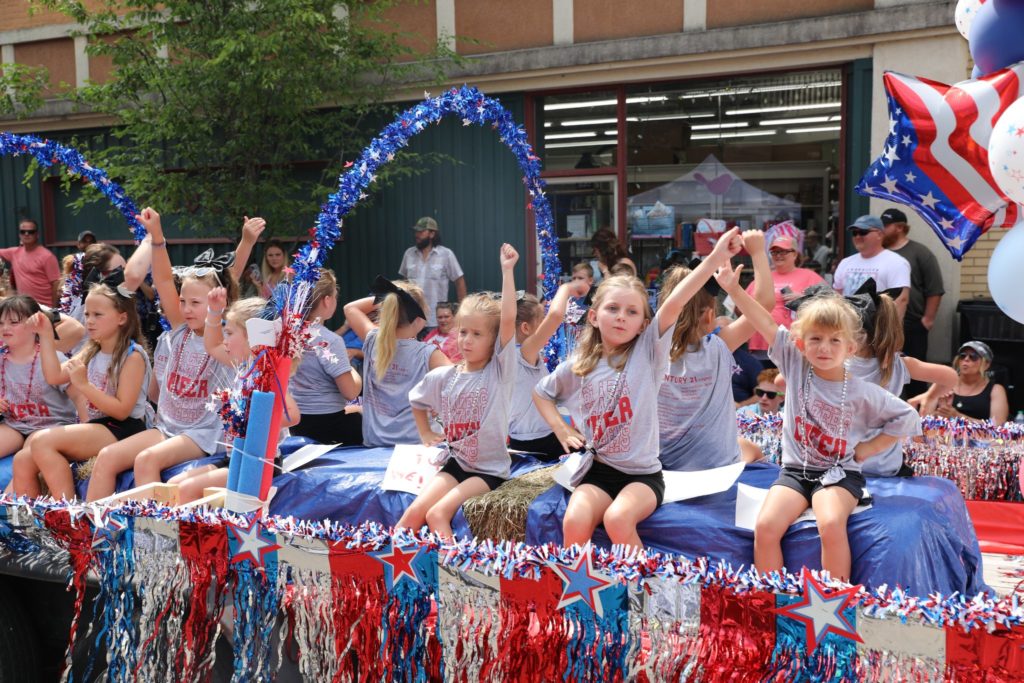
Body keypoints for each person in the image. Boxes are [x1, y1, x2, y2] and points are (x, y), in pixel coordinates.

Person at [533, 227, 744, 551]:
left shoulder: (649, 352)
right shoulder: (579, 365)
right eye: (613, 309)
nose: (621, 317)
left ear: (644, 324)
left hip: (643, 477)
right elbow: (541, 393)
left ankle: (639, 582)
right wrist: (561, 428)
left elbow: (676, 301)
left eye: (632, 312)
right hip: (598, 471)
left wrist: (715, 257)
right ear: (593, 316)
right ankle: (581, 583)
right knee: (574, 519)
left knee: (618, 519)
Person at [716, 261, 921, 581]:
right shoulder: (795, 365)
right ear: (800, 343)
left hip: (840, 475)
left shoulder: (860, 390)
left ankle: (834, 597)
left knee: (830, 523)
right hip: (795, 472)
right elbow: (763, 321)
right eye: (815, 339)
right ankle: (772, 596)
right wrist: (733, 289)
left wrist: (870, 448)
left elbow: (906, 416)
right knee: (766, 526)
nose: (824, 348)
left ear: (850, 347)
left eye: (834, 341)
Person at [84, 208, 236, 501]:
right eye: (183, 301)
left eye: (195, 303)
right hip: (166, 427)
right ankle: (90, 528)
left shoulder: (224, 339)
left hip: (202, 432)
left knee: (146, 459)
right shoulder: (179, 330)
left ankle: (155, 529)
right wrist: (156, 236)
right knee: (106, 456)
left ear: (218, 301)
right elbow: (164, 280)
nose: (186, 309)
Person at [399, 244, 520, 538]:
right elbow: (416, 400)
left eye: (477, 334)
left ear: (494, 341)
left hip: (488, 471)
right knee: (411, 516)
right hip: (457, 463)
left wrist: (507, 270)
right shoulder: (445, 376)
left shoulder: (498, 372)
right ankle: (402, 566)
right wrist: (425, 432)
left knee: (437, 514)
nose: (467, 340)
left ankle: (452, 567)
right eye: (463, 331)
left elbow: (507, 320)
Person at [657, 229, 774, 472]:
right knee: (752, 449)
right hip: (718, 463)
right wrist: (757, 252)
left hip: (663, 461)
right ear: (710, 316)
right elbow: (764, 305)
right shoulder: (719, 346)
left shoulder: (652, 347)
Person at [21, 284, 151, 501]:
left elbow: (122, 411)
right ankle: (26, 520)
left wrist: (84, 386)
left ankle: (66, 512)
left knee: (42, 441)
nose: (89, 320)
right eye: (87, 314)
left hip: (123, 428)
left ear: (121, 318)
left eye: (98, 315)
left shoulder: (132, 356)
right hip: (97, 426)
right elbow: (54, 376)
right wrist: (45, 335)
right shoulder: (92, 349)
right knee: (22, 460)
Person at [170, 295, 301, 503]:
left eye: (229, 333)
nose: (224, 340)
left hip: (258, 464)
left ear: (252, 339)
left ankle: (196, 526)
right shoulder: (243, 366)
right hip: (234, 457)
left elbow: (292, 415)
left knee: (187, 490)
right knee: (173, 485)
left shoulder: (266, 375)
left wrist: (251, 421)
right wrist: (214, 312)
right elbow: (212, 346)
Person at [343, 276, 450, 447]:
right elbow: (462, 383)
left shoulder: (373, 340)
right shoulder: (428, 354)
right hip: (417, 445)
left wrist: (391, 297)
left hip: (375, 443)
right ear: (419, 319)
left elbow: (350, 308)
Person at [1, 297, 80, 496]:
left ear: (34, 325)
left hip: (50, 426)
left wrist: (88, 430)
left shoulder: (51, 358)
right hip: (14, 424)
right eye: (1, 323)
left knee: (28, 454)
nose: (5, 328)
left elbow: (79, 395)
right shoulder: (1, 358)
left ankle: (9, 503)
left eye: (14, 322)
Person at [288, 270, 363, 445]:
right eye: (335, 296)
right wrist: (350, 368)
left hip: (298, 423)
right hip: (330, 424)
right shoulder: (330, 340)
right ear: (327, 300)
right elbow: (351, 392)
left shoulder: (288, 334)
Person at [507, 282, 581, 461]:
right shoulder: (524, 353)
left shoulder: (505, 356)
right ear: (526, 328)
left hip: (518, 440)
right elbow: (555, 316)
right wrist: (566, 288)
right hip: (542, 442)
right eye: (541, 321)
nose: (544, 326)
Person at [880, 208, 944, 390]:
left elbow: (934, 288)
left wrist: (927, 320)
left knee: (914, 376)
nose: (881, 230)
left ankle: (917, 407)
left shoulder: (920, 253)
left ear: (899, 228)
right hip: (882, 322)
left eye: (885, 226)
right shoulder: (879, 254)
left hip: (912, 324)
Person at [746, 233, 824, 355]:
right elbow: (741, 308)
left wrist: (804, 299)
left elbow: (833, 303)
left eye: (783, 252)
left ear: (795, 254)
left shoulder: (809, 276)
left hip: (793, 344)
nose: (778, 255)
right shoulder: (763, 277)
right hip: (760, 343)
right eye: (775, 252)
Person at [912, 341, 1009, 425]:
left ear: (986, 364)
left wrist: (957, 416)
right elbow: (924, 419)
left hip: (978, 440)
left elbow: (997, 425)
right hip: (942, 437)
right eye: (962, 356)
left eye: (973, 357)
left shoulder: (995, 390)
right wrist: (938, 414)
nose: (966, 359)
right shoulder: (943, 384)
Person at [832, 215, 910, 319]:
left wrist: (891, 328)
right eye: (854, 233)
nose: (858, 237)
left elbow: (901, 300)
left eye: (863, 232)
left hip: (878, 325)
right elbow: (837, 295)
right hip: (848, 325)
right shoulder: (845, 262)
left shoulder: (896, 262)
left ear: (879, 234)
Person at [398, 217, 466, 331]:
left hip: (436, 321)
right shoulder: (409, 254)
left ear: (432, 234)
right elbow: (404, 283)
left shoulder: (446, 254)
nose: (417, 235)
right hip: (412, 320)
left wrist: (462, 311)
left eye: (421, 232)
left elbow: (459, 282)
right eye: (416, 231)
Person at [0, 219, 61, 306]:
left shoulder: (47, 256)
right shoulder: (14, 253)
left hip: (44, 307)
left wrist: (54, 308)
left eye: (30, 232)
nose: (26, 234)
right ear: (19, 234)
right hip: (25, 306)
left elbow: (56, 284)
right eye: (23, 231)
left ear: (37, 234)